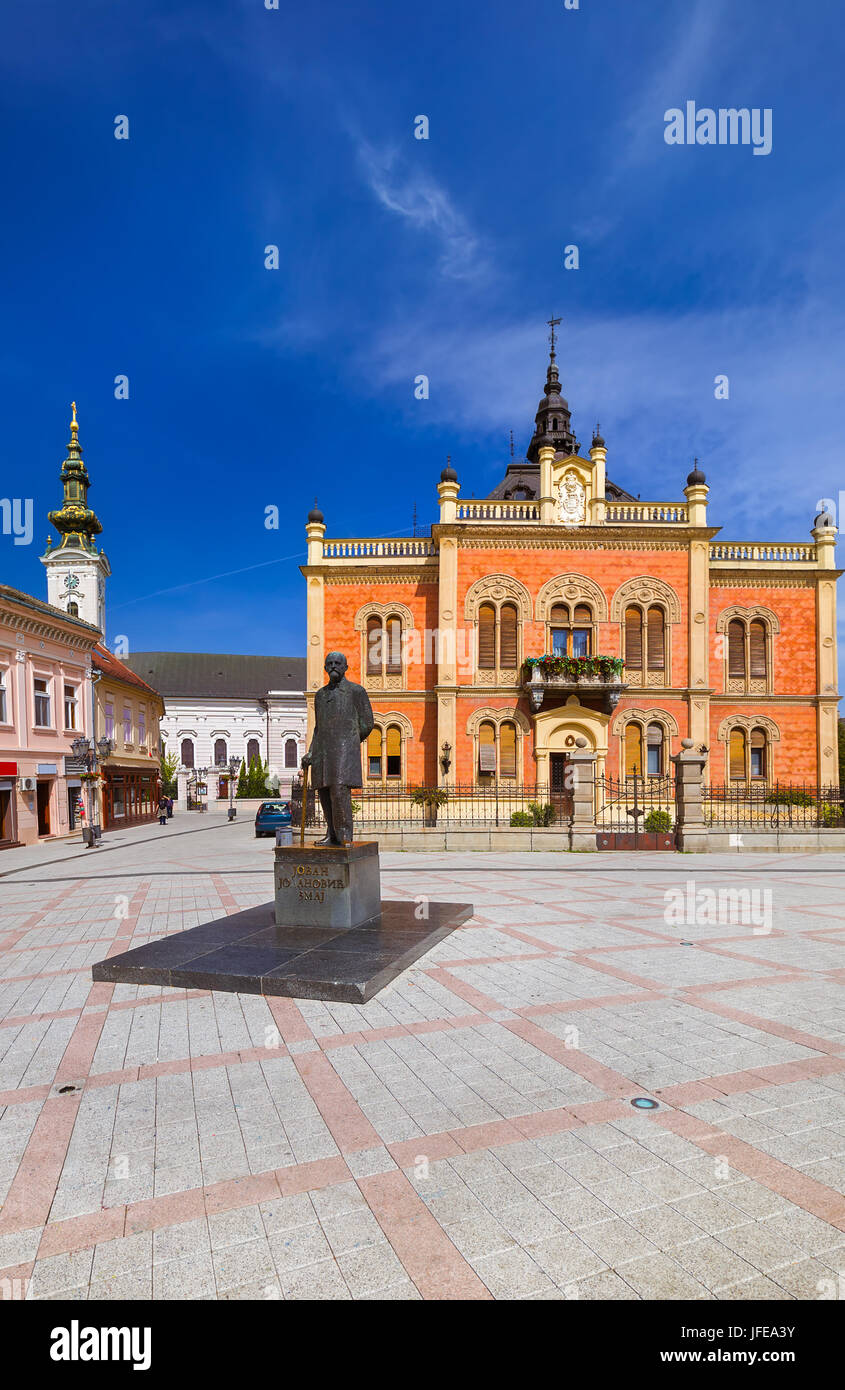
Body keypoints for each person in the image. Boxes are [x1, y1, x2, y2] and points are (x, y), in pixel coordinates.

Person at [301, 651, 373, 846]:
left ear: (345, 667)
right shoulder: (320, 695)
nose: (333, 666)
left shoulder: (356, 691)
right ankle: (331, 834)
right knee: (324, 792)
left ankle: (345, 836)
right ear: (325, 668)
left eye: (337, 663)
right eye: (330, 663)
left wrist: (350, 741)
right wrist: (311, 751)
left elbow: (368, 722)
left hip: (343, 751)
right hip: (323, 752)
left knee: (339, 792)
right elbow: (318, 728)